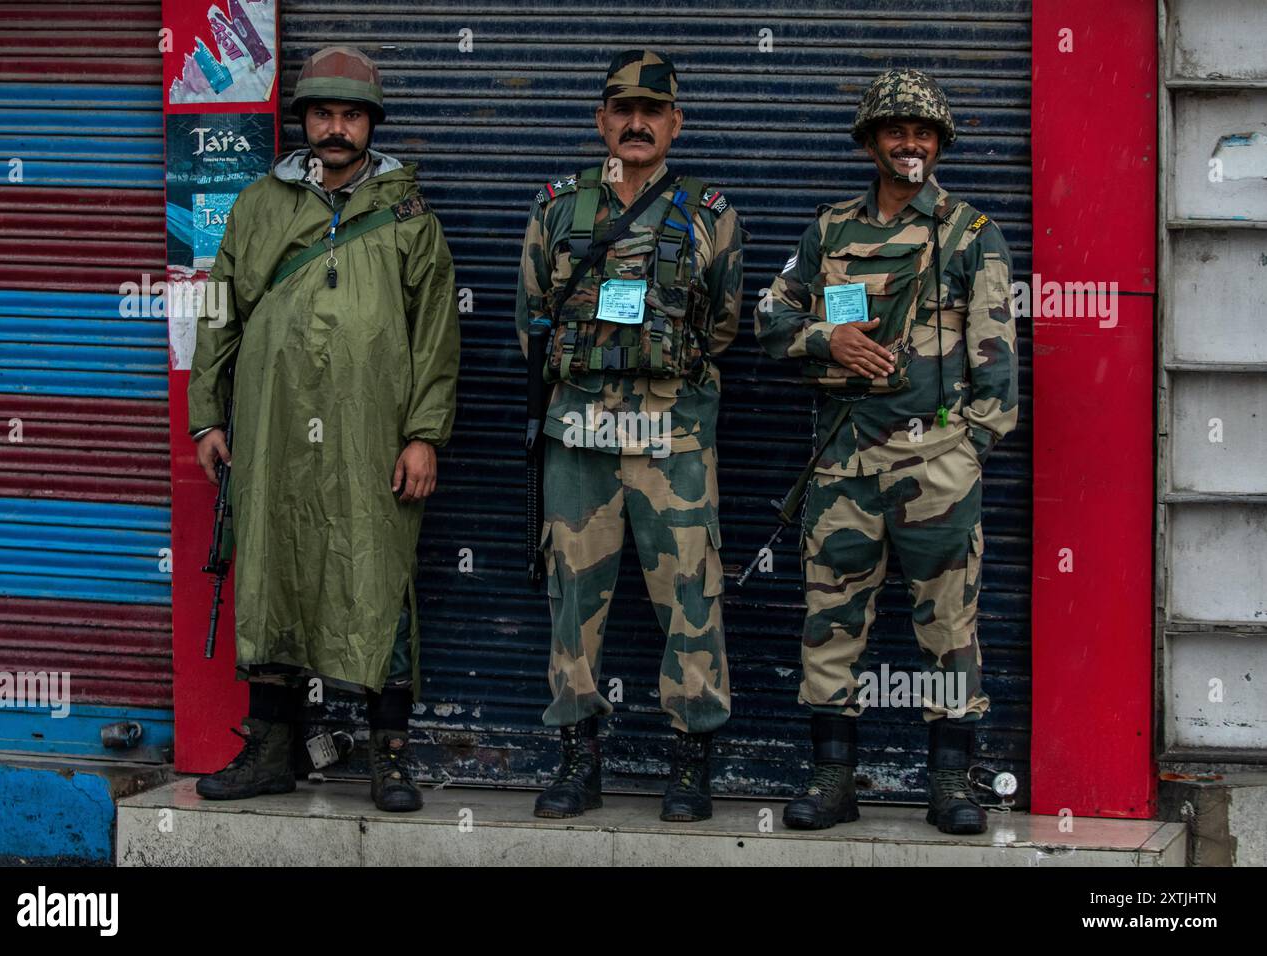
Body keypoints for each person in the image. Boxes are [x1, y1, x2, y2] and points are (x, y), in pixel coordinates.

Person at [188, 46, 460, 812]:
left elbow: (438, 334)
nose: (335, 129)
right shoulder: (257, 207)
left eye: (350, 115)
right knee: (271, 574)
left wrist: (424, 435)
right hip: (271, 432)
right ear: (303, 119)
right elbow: (218, 313)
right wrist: (207, 413)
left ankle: (389, 758)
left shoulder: (409, 216)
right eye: (322, 114)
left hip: (371, 437)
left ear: (370, 124)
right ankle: (271, 751)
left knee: (378, 578)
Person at [755, 68, 1017, 834]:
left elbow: (996, 359)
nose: (911, 143)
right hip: (843, 461)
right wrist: (823, 337)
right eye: (896, 131)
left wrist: (966, 449)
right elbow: (771, 317)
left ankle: (950, 785)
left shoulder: (971, 233)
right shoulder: (830, 231)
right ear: (871, 142)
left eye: (924, 132)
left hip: (934, 459)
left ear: (939, 145)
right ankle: (834, 781)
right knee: (830, 622)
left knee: (948, 623)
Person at [515, 50, 743, 822]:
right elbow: (531, 326)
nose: (636, 123)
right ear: (600, 120)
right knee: (572, 599)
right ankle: (578, 762)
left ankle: (690, 764)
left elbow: (721, 331)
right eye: (622, 110)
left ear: (675, 123)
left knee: (690, 599)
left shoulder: (711, 213)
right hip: (578, 441)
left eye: (653, 111)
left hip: (671, 443)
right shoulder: (556, 208)